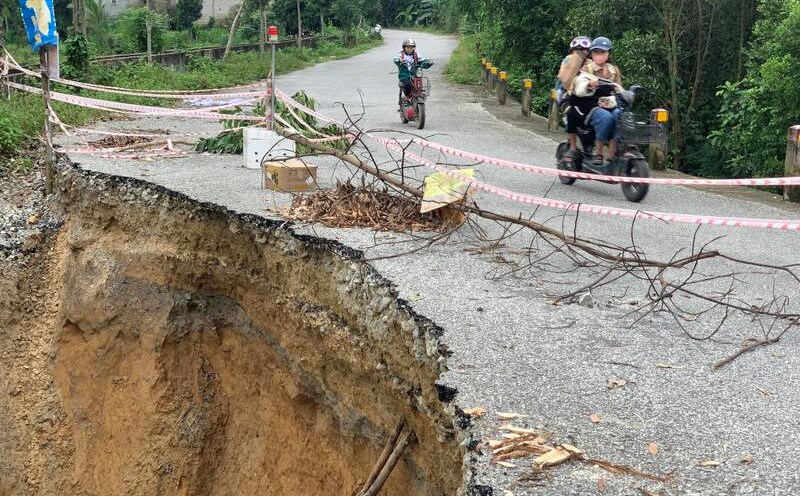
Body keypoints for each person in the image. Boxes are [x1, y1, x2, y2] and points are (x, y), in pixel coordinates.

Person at [571, 36, 624, 168]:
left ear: (608, 53)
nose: (600, 55)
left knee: (620, 116)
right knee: (605, 118)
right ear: (592, 54)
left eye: (603, 52)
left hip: (609, 103)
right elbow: (579, 85)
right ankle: (599, 153)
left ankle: (612, 155)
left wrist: (623, 95)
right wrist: (589, 85)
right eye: (596, 52)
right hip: (589, 105)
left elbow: (619, 88)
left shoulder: (613, 70)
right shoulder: (586, 69)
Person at [557, 36, 592, 156]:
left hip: (584, 97)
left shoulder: (591, 63)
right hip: (566, 95)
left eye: (585, 50)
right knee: (571, 114)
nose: (582, 52)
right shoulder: (568, 60)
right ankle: (572, 147)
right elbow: (564, 80)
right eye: (579, 50)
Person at [393, 38, 433, 104]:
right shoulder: (401, 55)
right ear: (404, 48)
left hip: (414, 75)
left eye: (411, 47)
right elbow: (396, 59)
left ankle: (419, 95)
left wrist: (429, 62)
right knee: (408, 84)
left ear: (414, 48)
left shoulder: (417, 55)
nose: (409, 49)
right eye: (408, 47)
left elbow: (423, 61)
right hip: (404, 75)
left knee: (419, 84)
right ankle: (407, 97)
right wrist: (399, 60)